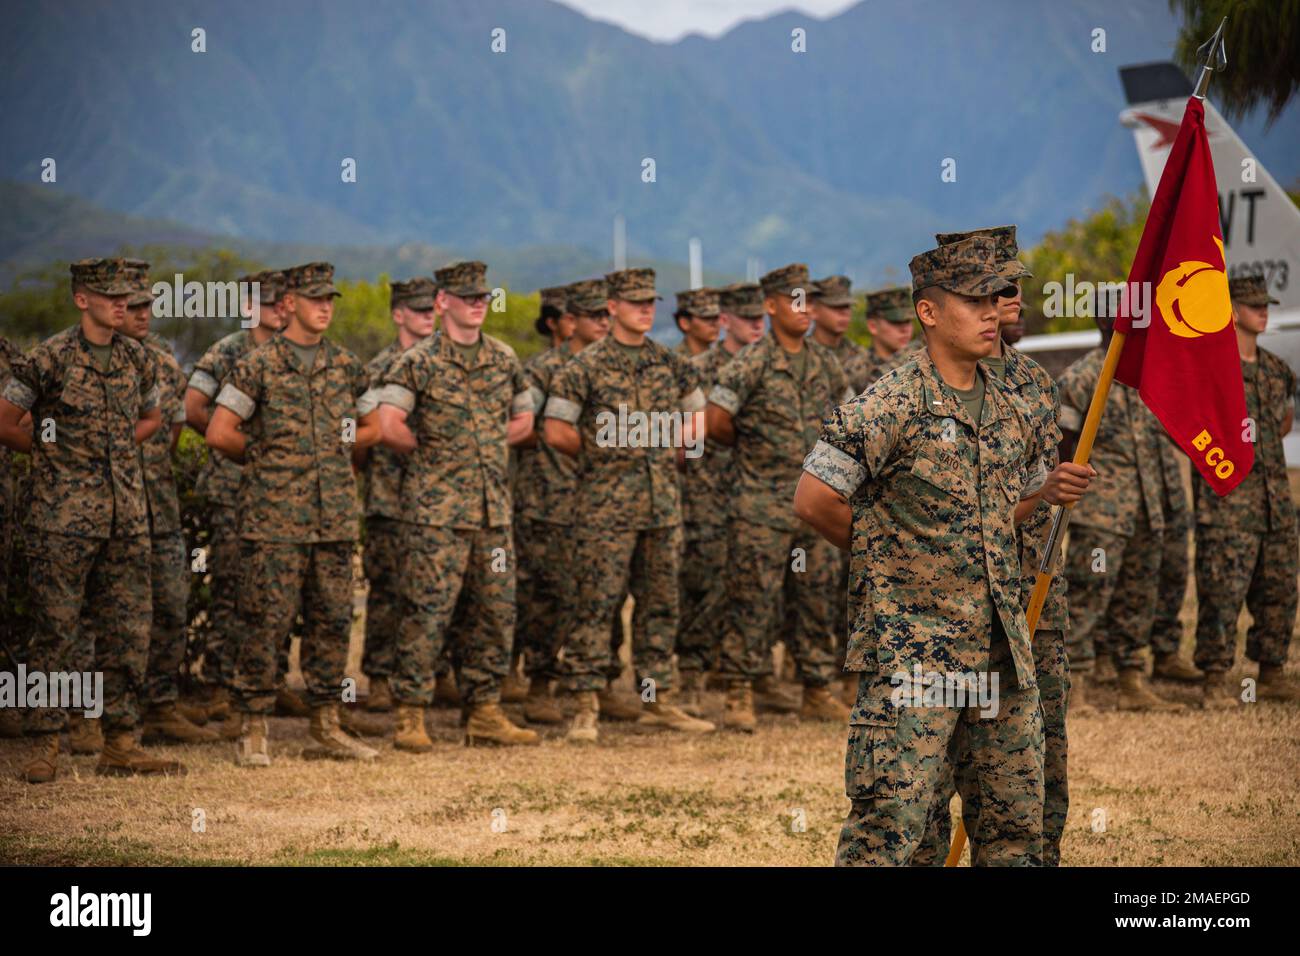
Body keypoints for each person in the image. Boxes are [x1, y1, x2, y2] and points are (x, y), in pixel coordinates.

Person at [796, 236, 1091, 866]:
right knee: (894, 831)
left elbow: (997, 515)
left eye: (996, 299)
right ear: (928, 312)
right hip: (916, 653)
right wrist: (891, 556)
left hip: (1002, 648)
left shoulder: (1011, 402)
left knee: (1016, 829)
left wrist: (1043, 495)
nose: (992, 312)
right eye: (974, 301)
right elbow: (815, 499)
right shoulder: (889, 404)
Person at [0, 257, 182, 782]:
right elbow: (6, 420)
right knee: (55, 633)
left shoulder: (137, 359)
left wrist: (117, 448)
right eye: (111, 296)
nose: (123, 304)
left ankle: (121, 743)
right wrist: (52, 453)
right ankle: (46, 743)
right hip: (60, 521)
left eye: (127, 296)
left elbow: (152, 417)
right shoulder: (49, 358)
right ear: (83, 300)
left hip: (126, 518)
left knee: (128, 631)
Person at [206, 261, 382, 765]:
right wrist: (268, 459)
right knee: (265, 621)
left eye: (330, 299)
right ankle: (253, 726)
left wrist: (339, 441)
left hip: (333, 519)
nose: (325, 307)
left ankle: (327, 724)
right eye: (315, 299)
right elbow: (219, 431)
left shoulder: (347, 364)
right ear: (289, 305)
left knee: (332, 620)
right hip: (274, 519)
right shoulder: (257, 364)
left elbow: (374, 427)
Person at [544, 267, 715, 742]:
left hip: (661, 508)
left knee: (660, 605)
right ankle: (585, 705)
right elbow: (556, 430)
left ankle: (656, 700)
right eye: (635, 302)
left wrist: (670, 443)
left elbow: (699, 416)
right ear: (612, 307)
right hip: (604, 511)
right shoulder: (584, 367)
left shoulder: (671, 363)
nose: (644, 310)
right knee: (595, 604)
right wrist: (601, 453)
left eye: (649, 303)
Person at [376, 260, 539, 749]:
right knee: (426, 612)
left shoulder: (503, 358)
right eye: (467, 297)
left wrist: (489, 442)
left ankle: (484, 710)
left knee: (494, 611)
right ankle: (410, 714)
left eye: (482, 297)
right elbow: (388, 424)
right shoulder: (417, 361)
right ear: (442, 302)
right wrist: (432, 455)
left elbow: (525, 419)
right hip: (436, 515)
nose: (477, 304)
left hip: (493, 513)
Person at [707, 263, 853, 731]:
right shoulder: (751, 362)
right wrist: (755, 448)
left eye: (809, 300)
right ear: (770, 306)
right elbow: (716, 422)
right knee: (752, 601)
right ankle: (739, 692)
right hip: (761, 506)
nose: (805, 309)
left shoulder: (826, 363)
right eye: (795, 300)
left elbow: (850, 418)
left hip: (816, 506)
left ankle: (816, 689)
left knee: (817, 599)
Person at [1059, 305, 1186, 714]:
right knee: (1088, 594)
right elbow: (1062, 444)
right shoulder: (1081, 377)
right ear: (1104, 322)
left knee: (1139, 593)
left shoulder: (1147, 375)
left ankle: (1131, 679)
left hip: (1147, 506)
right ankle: (1075, 685)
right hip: (1102, 512)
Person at [184, 269, 290, 729]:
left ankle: (271, 682)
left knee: (280, 590)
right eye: (270, 303)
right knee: (231, 586)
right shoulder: (227, 351)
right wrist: (234, 446)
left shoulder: (293, 353)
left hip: (283, 491)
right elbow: (193, 407)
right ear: (248, 307)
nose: (280, 310)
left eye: (285, 302)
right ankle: (221, 688)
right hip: (233, 488)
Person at [120, 261, 219, 745]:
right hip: (99, 512)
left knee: (170, 608)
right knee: (105, 616)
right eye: (132, 306)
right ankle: (87, 716)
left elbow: (175, 427)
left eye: (148, 306)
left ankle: (159, 707)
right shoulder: (67, 358)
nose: (143, 314)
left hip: (159, 507)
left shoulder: (163, 361)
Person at [1193, 274, 1300, 706]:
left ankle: (1270, 673)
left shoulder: (1276, 370)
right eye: (1254, 305)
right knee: (1222, 593)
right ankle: (1215, 679)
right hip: (1229, 505)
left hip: (1275, 502)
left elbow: (1284, 421)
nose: (1263, 312)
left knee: (1279, 589)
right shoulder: (1212, 370)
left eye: (1266, 305)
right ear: (1232, 311)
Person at [513, 278, 614, 724]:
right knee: (547, 597)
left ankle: (599, 684)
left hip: (605, 502)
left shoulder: (613, 368)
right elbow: (520, 425)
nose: (604, 323)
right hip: (549, 500)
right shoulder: (543, 370)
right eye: (595, 316)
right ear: (570, 320)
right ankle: (539, 684)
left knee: (602, 595)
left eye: (608, 315)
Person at [674, 283, 766, 714]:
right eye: (747, 318)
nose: (756, 326)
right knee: (703, 585)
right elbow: (681, 438)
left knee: (753, 587)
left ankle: (746, 678)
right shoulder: (694, 370)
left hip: (757, 495)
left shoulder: (768, 365)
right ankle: (691, 676)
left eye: (760, 318)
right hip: (706, 495)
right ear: (727, 320)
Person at [359, 277, 438, 714]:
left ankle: (433, 673)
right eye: (419, 309)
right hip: (389, 497)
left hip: (440, 501)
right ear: (398, 314)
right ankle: (380, 677)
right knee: (387, 592)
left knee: (435, 592)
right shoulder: (379, 369)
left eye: (432, 308)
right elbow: (364, 434)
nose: (428, 315)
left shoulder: (443, 361)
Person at [673, 288, 721, 357]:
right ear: (684, 323)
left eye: (716, 317)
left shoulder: (723, 359)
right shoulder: (673, 361)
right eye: (706, 318)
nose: (714, 324)